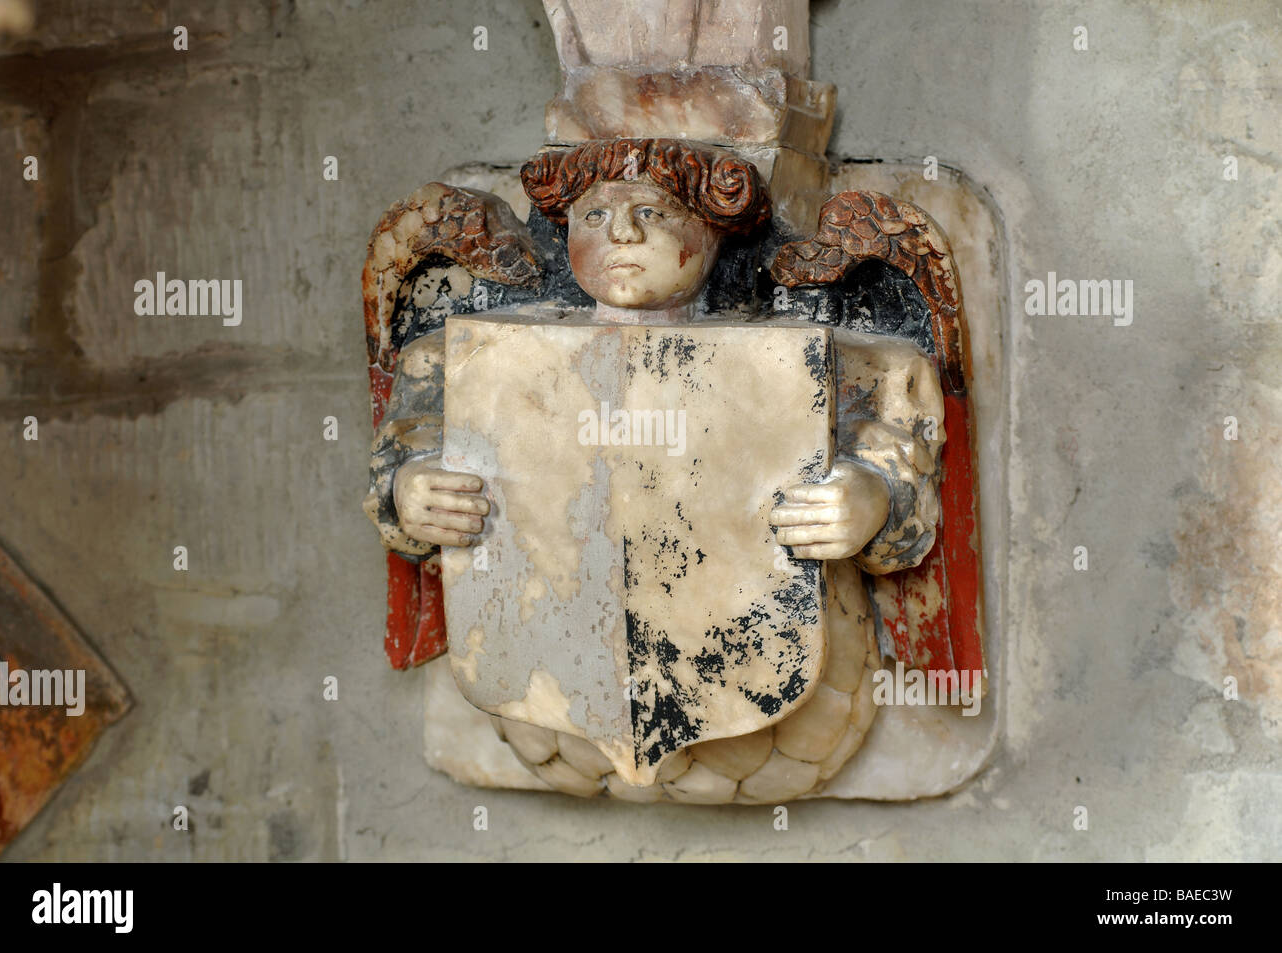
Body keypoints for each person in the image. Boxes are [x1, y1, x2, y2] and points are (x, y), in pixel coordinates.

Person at [366, 138, 946, 802]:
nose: (620, 233)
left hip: (782, 719)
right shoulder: (477, 360)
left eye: (652, 211)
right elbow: (406, 451)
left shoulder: (811, 360)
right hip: (550, 719)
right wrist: (410, 490)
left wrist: (869, 498)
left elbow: (900, 463)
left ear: (713, 226)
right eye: (592, 216)